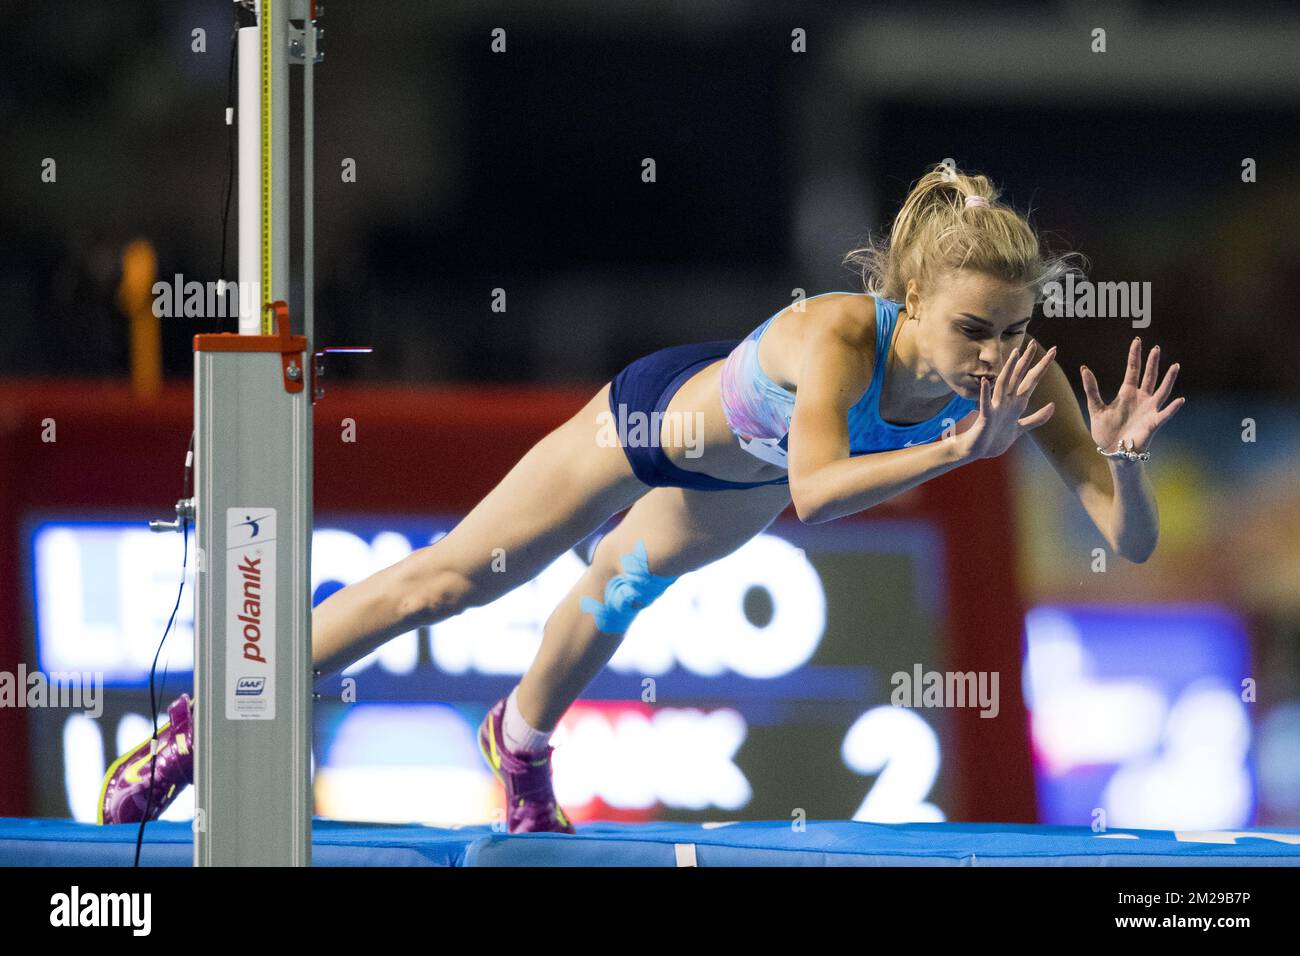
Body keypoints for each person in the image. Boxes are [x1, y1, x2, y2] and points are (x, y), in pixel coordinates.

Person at [99, 163, 1185, 832]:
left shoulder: (1014, 378)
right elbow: (819, 489)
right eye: (969, 331)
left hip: (741, 474)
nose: (991, 353)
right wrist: (953, 447)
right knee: (458, 577)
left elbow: (1123, 542)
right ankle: (205, 716)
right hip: (659, 422)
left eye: (1007, 332)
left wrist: (1121, 465)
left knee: (619, 590)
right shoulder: (842, 335)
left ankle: (517, 744)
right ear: (907, 299)